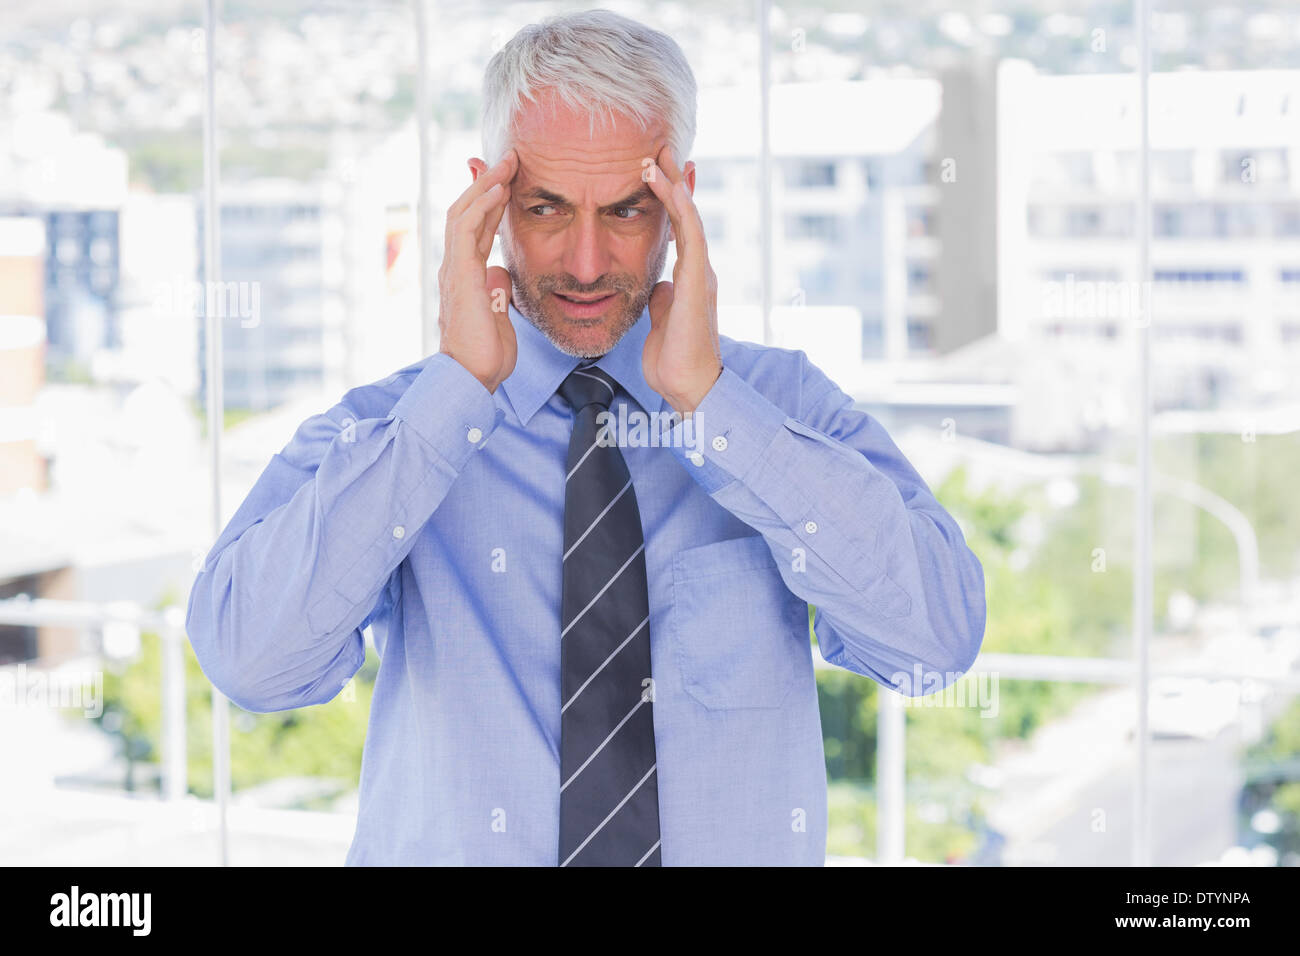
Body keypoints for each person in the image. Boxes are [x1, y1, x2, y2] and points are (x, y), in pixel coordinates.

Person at [185, 8, 986, 866]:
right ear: (486, 202)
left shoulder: (779, 405)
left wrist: (714, 412)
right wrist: (454, 396)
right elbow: (252, 664)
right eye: (545, 208)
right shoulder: (388, 430)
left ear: (681, 197)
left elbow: (935, 641)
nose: (587, 261)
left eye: (629, 211)